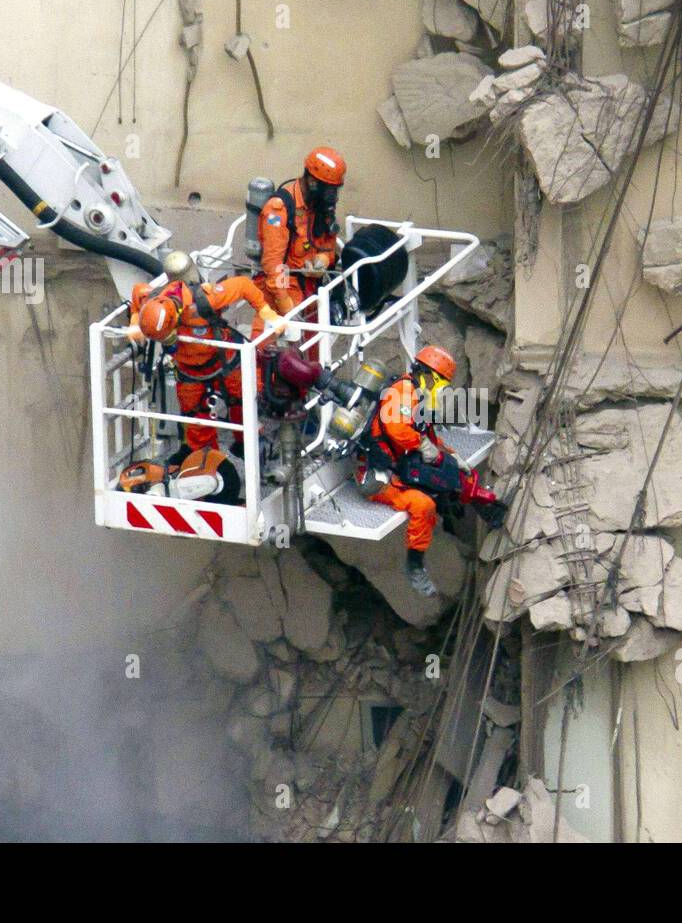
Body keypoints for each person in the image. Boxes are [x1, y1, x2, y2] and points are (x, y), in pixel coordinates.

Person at [128, 252, 286, 461]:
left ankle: (249, 444)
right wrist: (134, 320)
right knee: (196, 418)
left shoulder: (206, 299)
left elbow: (243, 285)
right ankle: (210, 463)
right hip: (188, 370)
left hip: (224, 362)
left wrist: (267, 312)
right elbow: (138, 291)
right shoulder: (154, 300)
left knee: (241, 403)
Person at [361, 345, 471, 597]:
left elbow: (427, 437)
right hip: (380, 474)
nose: (441, 389)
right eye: (441, 383)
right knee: (423, 506)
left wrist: (452, 457)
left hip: (402, 465)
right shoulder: (403, 392)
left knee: (449, 477)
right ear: (430, 376)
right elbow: (398, 429)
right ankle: (415, 566)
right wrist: (424, 447)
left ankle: (448, 515)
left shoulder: (418, 396)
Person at [252, 146, 347, 345]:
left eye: (334, 190)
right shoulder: (278, 210)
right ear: (312, 182)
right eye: (329, 190)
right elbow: (273, 265)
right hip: (280, 290)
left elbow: (329, 246)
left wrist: (324, 259)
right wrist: (286, 307)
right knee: (264, 356)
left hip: (311, 291)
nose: (332, 196)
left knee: (312, 358)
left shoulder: (320, 207)